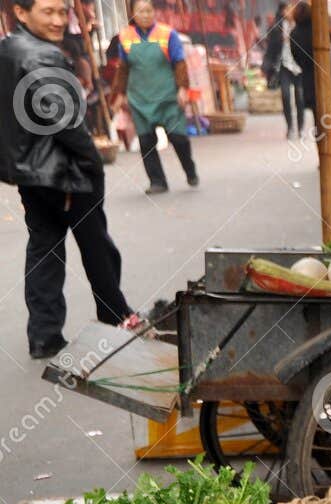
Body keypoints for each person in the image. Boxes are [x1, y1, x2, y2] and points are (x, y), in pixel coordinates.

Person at [1, 0, 138, 360]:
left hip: (32, 174)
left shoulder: (8, 50)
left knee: (44, 250)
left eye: (62, 12)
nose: (59, 20)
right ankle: (116, 316)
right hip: (64, 173)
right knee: (98, 248)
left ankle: (44, 336)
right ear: (21, 12)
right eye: (48, 12)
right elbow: (63, 121)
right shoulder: (41, 56)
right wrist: (91, 160)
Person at [108, 0, 198, 193]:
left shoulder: (167, 34)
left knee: (179, 137)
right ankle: (157, 181)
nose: (145, 15)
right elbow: (123, 69)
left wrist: (183, 88)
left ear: (154, 12)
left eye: (148, 11)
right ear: (133, 14)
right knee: (146, 142)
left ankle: (190, 171)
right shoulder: (125, 37)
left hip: (167, 97)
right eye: (140, 11)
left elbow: (179, 63)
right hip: (139, 99)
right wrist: (119, 95)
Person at [290, 0, 331, 168]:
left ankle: (324, 160)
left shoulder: (294, 34)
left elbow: (296, 59)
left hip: (312, 84)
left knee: (320, 124)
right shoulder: (319, 27)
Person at [265, 2, 303, 139]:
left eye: (290, 9)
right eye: (286, 9)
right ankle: (290, 127)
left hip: (299, 67)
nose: (288, 12)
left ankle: (301, 128)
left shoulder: (300, 26)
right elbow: (270, 47)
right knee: (286, 96)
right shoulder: (277, 27)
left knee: (300, 98)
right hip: (284, 66)